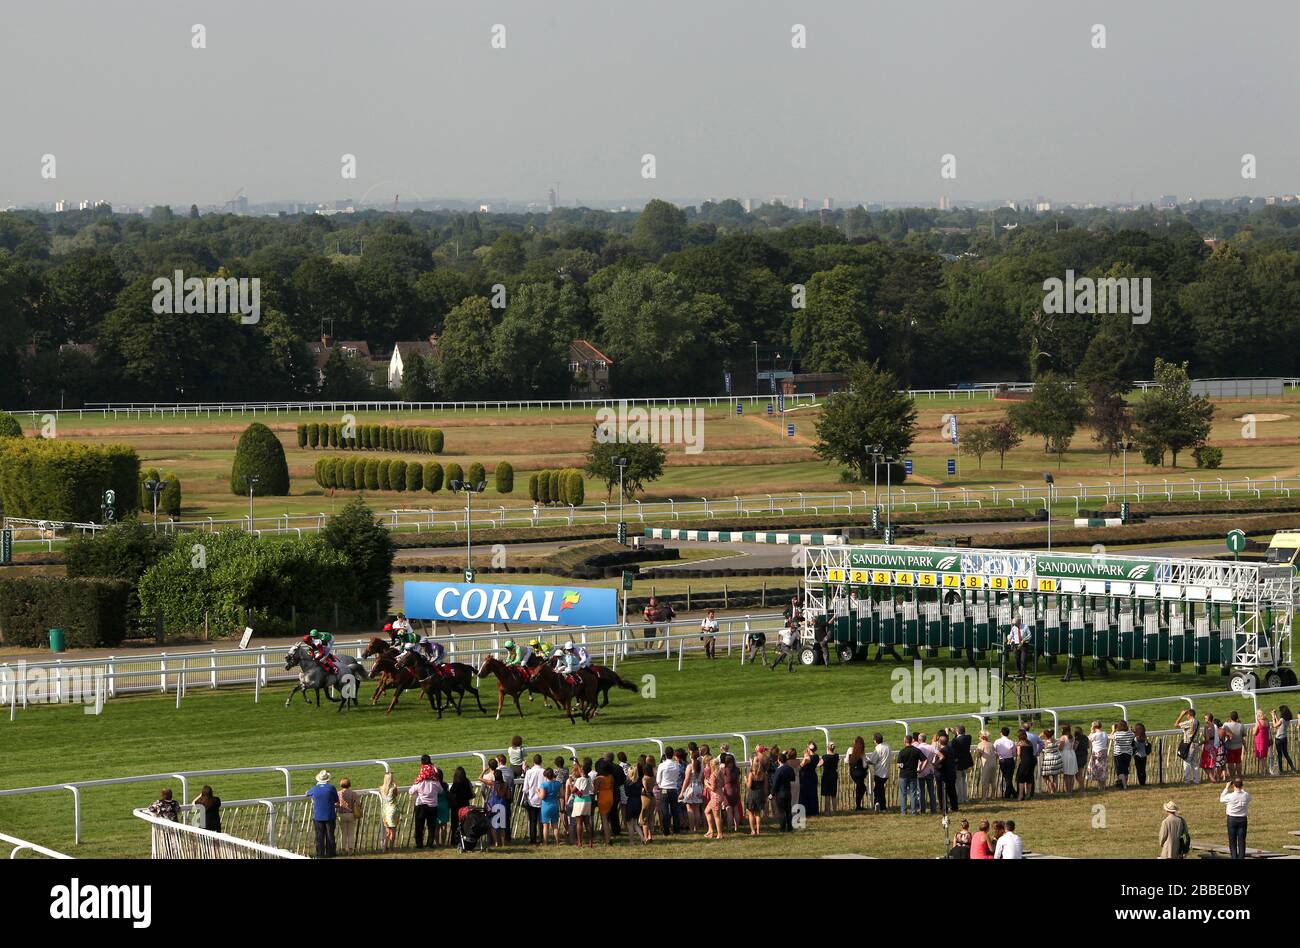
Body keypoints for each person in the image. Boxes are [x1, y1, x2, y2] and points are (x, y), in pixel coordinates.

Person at [408, 757, 441, 848]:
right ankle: (430, 844)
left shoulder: (419, 782)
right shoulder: (435, 782)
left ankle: (419, 844)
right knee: (431, 826)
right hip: (433, 806)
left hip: (421, 806)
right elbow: (441, 791)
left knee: (419, 826)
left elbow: (411, 791)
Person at [306, 770, 339, 858]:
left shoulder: (314, 788)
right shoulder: (331, 788)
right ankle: (331, 852)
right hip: (330, 815)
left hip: (318, 816)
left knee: (319, 836)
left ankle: (320, 853)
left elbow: (307, 793)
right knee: (330, 835)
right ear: (327, 779)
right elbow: (336, 800)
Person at [1220, 778, 1251, 859]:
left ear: (1233, 785)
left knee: (1232, 840)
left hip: (1232, 819)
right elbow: (1249, 798)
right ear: (1242, 785)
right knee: (1242, 841)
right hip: (1242, 819)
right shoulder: (1246, 795)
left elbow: (1221, 799)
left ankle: (1234, 857)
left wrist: (1226, 787)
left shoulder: (1230, 796)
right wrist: (1241, 789)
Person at [655, 748, 682, 835]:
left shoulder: (662, 765)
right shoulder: (676, 765)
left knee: (665, 811)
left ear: (665, 754)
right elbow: (677, 776)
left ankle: (666, 830)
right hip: (674, 789)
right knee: (675, 811)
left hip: (664, 789)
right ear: (673, 754)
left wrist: (661, 786)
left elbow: (658, 779)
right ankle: (676, 829)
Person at [896, 734, 922, 816]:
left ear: (905, 741)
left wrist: (899, 765)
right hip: (913, 774)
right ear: (912, 741)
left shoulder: (902, 752)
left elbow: (898, 764)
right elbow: (925, 760)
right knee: (913, 793)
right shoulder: (916, 751)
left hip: (903, 775)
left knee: (903, 794)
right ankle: (913, 812)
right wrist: (920, 768)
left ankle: (903, 812)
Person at [569, 764, 594, 848]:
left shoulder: (579, 780)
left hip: (579, 801)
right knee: (587, 822)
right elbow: (591, 789)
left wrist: (570, 784)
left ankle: (580, 843)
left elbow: (573, 791)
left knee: (579, 822)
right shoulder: (589, 778)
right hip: (588, 800)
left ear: (582, 771)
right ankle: (590, 842)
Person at [770, 751, 796, 831]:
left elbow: (775, 783)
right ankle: (790, 827)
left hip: (780, 793)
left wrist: (772, 793)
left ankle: (782, 827)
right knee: (788, 810)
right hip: (788, 791)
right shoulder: (789, 768)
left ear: (779, 760)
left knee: (781, 811)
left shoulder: (778, 770)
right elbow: (793, 778)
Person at [537, 768, 563, 845]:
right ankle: (557, 842)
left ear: (546, 776)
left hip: (546, 806)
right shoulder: (558, 783)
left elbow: (542, 797)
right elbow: (562, 794)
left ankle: (545, 842)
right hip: (555, 805)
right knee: (555, 825)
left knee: (545, 826)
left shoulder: (544, 785)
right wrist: (556, 795)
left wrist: (537, 792)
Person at [1175, 708, 1201, 785]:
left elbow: (1176, 724)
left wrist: (1181, 715)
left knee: (1187, 762)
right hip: (1196, 743)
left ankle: (1187, 780)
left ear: (1189, 715)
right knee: (1194, 763)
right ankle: (1196, 780)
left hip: (1189, 744)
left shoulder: (1189, 722)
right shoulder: (1197, 722)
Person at [745, 751, 768, 835]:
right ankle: (758, 830)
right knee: (758, 813)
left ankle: (752, 830)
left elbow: (749, 786)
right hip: (760, 794)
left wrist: (745, 780)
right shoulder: (763, 774)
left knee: (751, 813)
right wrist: (765, 796)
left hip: (752, 794)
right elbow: (765, 787)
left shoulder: (751, 774)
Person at [336, 778, 360, 853]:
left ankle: (343, 848)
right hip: (351, 814)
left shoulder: (338, 793)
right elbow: (358, 804)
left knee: (343, 833)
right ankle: (350, 849)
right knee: (351, 833)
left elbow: (336, 804)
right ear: (349, 784)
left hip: (342, 814)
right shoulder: (353, 793)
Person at [973, 731, 998, 801]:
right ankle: (993, 796)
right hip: (993, 763)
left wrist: (977, 752)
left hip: (986, 764)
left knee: (985, 781)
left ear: (981, 737)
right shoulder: (991, 744)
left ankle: (984, 797)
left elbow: (979, 754)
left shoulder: (981, 744)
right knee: (993, 780)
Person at [952, 725, 974, 804]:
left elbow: (954, 743)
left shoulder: (955, 741)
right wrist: (956, 733)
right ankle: (965, 797)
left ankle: (960, 798)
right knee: (964, 781)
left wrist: (953, 733)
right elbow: (959, 738)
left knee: (959, 781)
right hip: (966, 762)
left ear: (957, 732)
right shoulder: (968, 737)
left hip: (958, 763)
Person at [993, 726, 1016, 800]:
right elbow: (1014, 753)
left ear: (1001, 733)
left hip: (1002, 760)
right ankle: (1012, 793)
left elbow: (994, 750)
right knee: (1009, 777)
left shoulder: (997, 741)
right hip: (1010, 760)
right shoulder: (1011, 742)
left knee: (1007, 777)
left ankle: (1009, 794)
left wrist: (1000, 755)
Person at [798, 742, 821, 817]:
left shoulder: (808, 758)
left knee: (804, 794)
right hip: (812, 776)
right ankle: (814, 811)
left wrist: (805, 757)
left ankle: (806, 811)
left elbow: (802, 765)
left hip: (806, 777)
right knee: (813, 794)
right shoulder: (816, 756)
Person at [1111, 720, 1135, 790]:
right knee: (1125, 770)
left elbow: (1110, 737)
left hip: (1118, 754)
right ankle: (1125, 784)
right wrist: (1130, 730)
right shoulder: (1130, 734)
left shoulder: (1117, 734)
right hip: (1128, 754)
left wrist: (1113, 730)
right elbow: (1134, 735)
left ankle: (1124, 786)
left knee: (1120, 771)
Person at [1086, 721, 1109, 791]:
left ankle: (1099, 787)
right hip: (1104, 752)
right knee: (1103, 768)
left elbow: (1088, 739)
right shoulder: (1104, 733)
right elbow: (1107, 743)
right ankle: (1102, 787)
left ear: (1094, 727)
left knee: (1097, 769)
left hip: (1096, 753)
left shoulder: (1095, 735)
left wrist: (1091, 732)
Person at [380, 773, 400, 851]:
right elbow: (396, 795)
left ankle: (384, 847)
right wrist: (395, 786)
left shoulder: (381, 788)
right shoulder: (393, 788)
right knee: (393, 830)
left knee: (388, 831)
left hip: (385, 810)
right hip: (392, 810)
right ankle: (391, 847)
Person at [1223, 710, 1245, 781]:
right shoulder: (1241, 725)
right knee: (1238, 762)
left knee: (1230, 763)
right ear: (1237, 717)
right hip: (1238, 746)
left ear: (1230, 717)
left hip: (1230, 746)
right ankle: (1239, 776)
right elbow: (1243, 735)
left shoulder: (1226, 725)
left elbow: (1221, 731)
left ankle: (1232, 776)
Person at [1014, 729, 1036, 801]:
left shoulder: (1020, 743)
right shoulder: (1029, 743)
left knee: (1021, 778)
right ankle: (1028, 794)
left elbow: (1018, 754)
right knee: (1029, 777)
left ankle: (1020, 795)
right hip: (1031, 761)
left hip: (1024, 762)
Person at [848, 737, 868, 810]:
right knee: (861, 788)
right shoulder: (862, 752)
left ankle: (858, 806)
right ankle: (858, 806)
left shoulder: (850, 749)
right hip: (860, 773)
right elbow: (864, 764)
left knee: (860, 788)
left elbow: (847, 760)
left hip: (853, 772)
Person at [1272, 706, 1295, 773]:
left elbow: (1275, 726)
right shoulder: (1287, 719)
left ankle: (1281, 770)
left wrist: (1273, 717)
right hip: (1284, 738)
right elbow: (1279, 726)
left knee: (1279, 755)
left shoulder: (1282, 720)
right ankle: (1293, 768)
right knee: (1286, 754)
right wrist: (1275, 716)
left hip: (1278, 738)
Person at [1038, 729, 1061, 794]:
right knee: (1055, 776)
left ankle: (1050, 787)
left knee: (1045, 775)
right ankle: (1054, 791)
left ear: (1045, 735)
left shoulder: (1044, 743)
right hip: (1056, 759)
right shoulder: (1056, 741)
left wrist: (1040, 735)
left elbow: (1038, 743)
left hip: (1048, 760)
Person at [821, 742, 840, 813]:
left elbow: (819, 764)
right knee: (833, 794)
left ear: (827, 747)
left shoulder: (825, 757)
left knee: (827, 794)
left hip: (826, 776)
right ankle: (835, 810)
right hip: (834, 775)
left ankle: (827, 811)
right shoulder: (836, 756)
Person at [1059, 726, 1079, 793]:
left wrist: (1057, 746)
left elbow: (1061, 748)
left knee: (1066, 774)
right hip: (1072, 754)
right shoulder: (1072, 737)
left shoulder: (1063, 737)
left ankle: (1067, 790)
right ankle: (1070, 789)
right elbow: (1074, 747)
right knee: (1071, 774)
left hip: (1065, 754)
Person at [1132, 723, 1151, 787]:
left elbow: (1135, 746)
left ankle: (1141, 782)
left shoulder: (1136, 738)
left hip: (1137, 755)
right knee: (1143, 769)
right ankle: (1143, 782)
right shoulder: (1144, 737)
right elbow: (1146, 744)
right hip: (1144, 755)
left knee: (1139, 770)